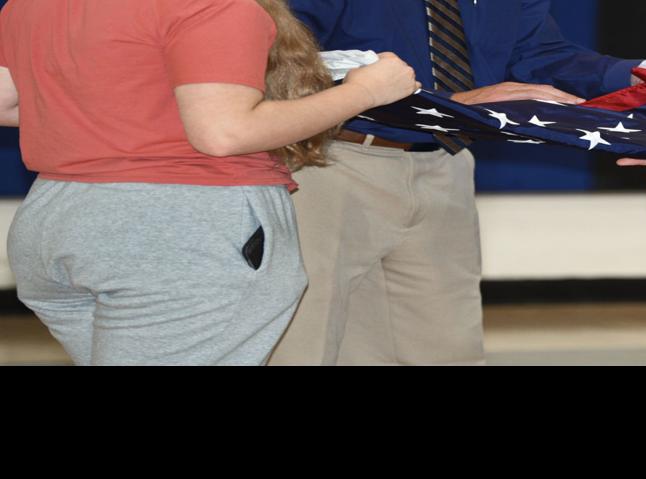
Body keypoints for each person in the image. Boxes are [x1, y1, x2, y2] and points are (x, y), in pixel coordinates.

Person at [0, 0, 417, 365]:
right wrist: (365, 92)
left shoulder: (30, 4)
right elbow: (225, 133)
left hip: (55, 219)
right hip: (179, 231)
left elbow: (9, 102)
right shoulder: (212, 5)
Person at [270, 1, 642, 366]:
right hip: (327, 161)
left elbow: (538, 52)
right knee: (303, 343)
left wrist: (644, 75)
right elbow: (286, 66)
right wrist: (451, 103)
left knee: (447, 349)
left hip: (445, 160)